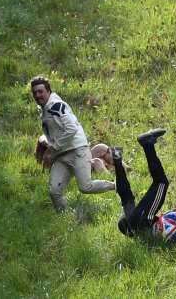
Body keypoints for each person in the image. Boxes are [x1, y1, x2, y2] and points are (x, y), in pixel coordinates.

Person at [30, 76, 116, 211]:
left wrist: (53, 148)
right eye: (34, 92)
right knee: (54, 190)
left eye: (40, 91)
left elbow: (72, 128)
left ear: (49, 91)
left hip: (77, 151)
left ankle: (117, 185)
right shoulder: (44, 108)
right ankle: (63, 218)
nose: (37, 95)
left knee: (85, 187)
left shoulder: (56, 106)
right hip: (61, 155)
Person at [110, 129, 176, 244]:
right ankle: (117, 160)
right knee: (127, 197)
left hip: (142, 223)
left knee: (162, 183)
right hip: (127, 228)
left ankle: (147, 144)